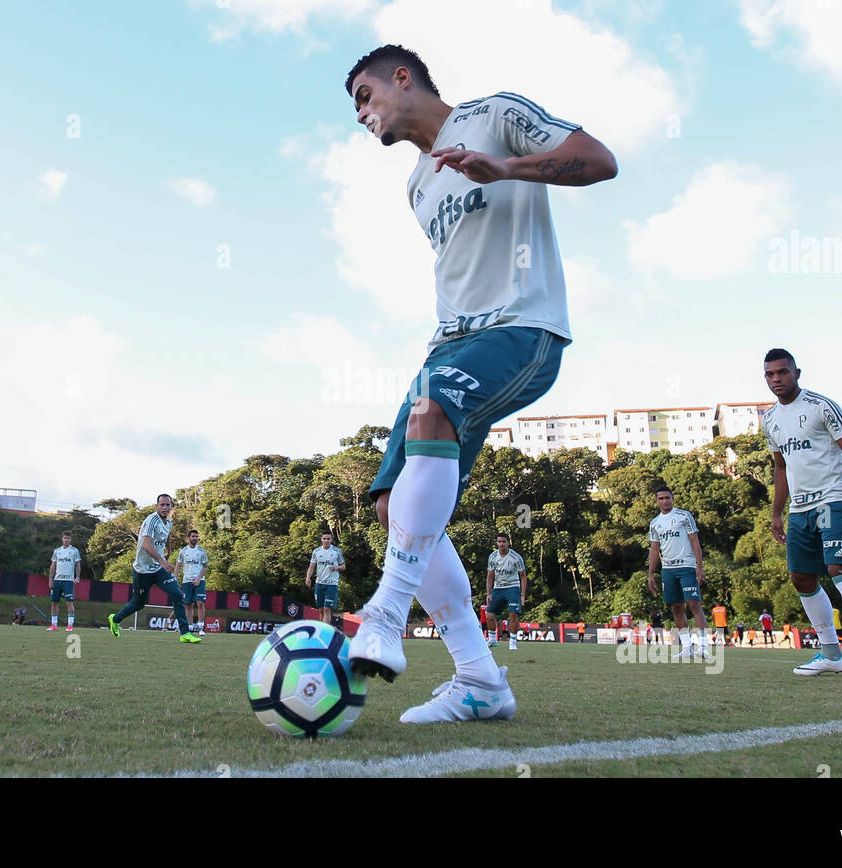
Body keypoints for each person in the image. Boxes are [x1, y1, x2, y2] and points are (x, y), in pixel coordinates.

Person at [341, 44, 618, 724]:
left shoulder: (494, 115)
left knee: (432, 412)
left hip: (522, 327)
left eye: (365, 96)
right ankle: (481, 679)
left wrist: (508, 167)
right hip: (447, 345)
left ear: (402, 77)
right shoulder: (415, 187)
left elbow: (598, 160)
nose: (361, 114)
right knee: (393, 508)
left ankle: (385, 613)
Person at [763, 348, 842, 682]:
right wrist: (776, 513)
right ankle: (831, 655)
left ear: (796, 373)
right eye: (770, 374)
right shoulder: (769, 420)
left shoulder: (821, 406)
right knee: (801, 578)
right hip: (800, 509)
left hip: (833, 500)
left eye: (782, 372)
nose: (776, 379)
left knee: (840, 570)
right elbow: (781, 467)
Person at [107, 494, 200, 643]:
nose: (165, 507)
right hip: (142, 571)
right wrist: (162, 561)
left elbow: (167, 536)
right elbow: (146, 544)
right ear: (157, 506)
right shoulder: (151, 520)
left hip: (157, 570)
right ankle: (115, 619)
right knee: (138, 604)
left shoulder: (168, 522)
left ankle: (185, 633)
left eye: (167, 505)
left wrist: (169, 551)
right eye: (162, 504)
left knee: (177, 594)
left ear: (171, 507)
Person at [647, 486, 710, 661]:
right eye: (661, 498)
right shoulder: (655, 523)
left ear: (672, 498)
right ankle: (687, 647)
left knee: (694, 604)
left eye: (667, 497)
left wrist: (699, 566)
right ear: (656, 501)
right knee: (676, 607)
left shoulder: (684, 516)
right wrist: (651, 574)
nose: (664, 501)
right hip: (668, 569)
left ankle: (703, 647)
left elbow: (694, 540)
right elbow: (654, 549)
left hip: (687, 566)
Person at [484, 533, 527, 652]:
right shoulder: (493, 557)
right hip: (498, 588)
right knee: (489, 614)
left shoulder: (515, 557)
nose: (501, 544)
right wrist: (488, 593)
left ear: (508, 543)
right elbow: (490, 575)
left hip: (513, 587)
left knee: (513, 614)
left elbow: (523, 576)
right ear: (497, 543)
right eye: (499, 542)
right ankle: (492, 639)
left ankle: (512, 642)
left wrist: (522, 594)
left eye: (504, 542)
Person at [304, 531, 345, 626]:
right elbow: (312, 566)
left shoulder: (336, 551)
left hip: (332, 584)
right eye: (324, 538)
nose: (326, 540)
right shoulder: (316, 551)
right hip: (319, 583)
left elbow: (343, 566)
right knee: (321, 609)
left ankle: (324, 631)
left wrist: (336, 568)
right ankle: (322, 628)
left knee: (327, 609)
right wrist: (308, 578)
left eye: (328, 539)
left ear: (331, 540)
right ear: (321, 539)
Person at [47, 531, 81, 631]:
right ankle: (54, 625)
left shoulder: (74, 551)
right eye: (65, 538)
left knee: (69, 602)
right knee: (54, 602)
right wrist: (50, 580)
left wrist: (77, 577)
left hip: (68, 581)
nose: (66, 540)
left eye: (68, 538)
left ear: (71, 539)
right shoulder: (57, 551)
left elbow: (78, 565)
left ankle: (70, 625)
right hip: (57, 580)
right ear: (62, 539)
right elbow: (52, 566)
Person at [178, 529, 210, 636]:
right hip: (187, 581)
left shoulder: (201, 551)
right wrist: (174, 578)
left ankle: (201, 627)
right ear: (189, 538)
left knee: (200, 603)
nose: (195, 538)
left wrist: (198, 578)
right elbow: (178, 565)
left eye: (196, 537)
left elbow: (205, 567)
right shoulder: (183, 551)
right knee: (188, 604)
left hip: (199, 580)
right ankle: (190, 627)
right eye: (193, 536)